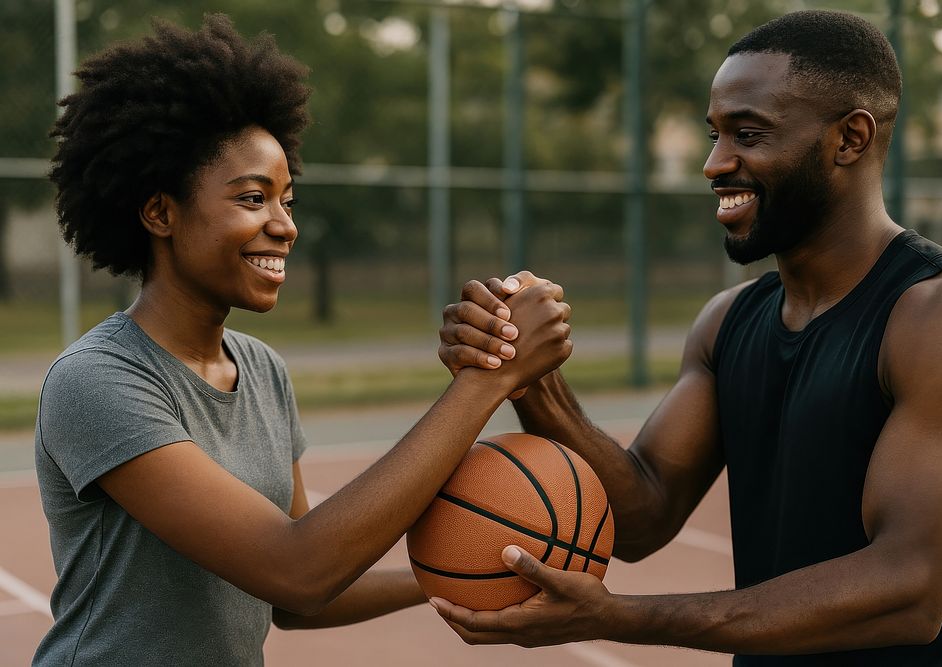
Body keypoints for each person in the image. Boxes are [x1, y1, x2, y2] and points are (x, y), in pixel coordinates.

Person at [434, 10, 942, 665]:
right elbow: (643, 513)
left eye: (748, 134)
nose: (714, 163)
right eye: (714, 134)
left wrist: (623, 617)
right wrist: (530, 381)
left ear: (849, 138)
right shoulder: (728, 322)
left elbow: (910, 588)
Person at [35, 14, 571, 666]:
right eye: (254, 197)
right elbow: (297, 568)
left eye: (289, 199)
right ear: (161, 213)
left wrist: (469, 574)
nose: (285, 225)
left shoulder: (261, 370)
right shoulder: (97, 380)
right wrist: (488, 379)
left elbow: (295, 601)